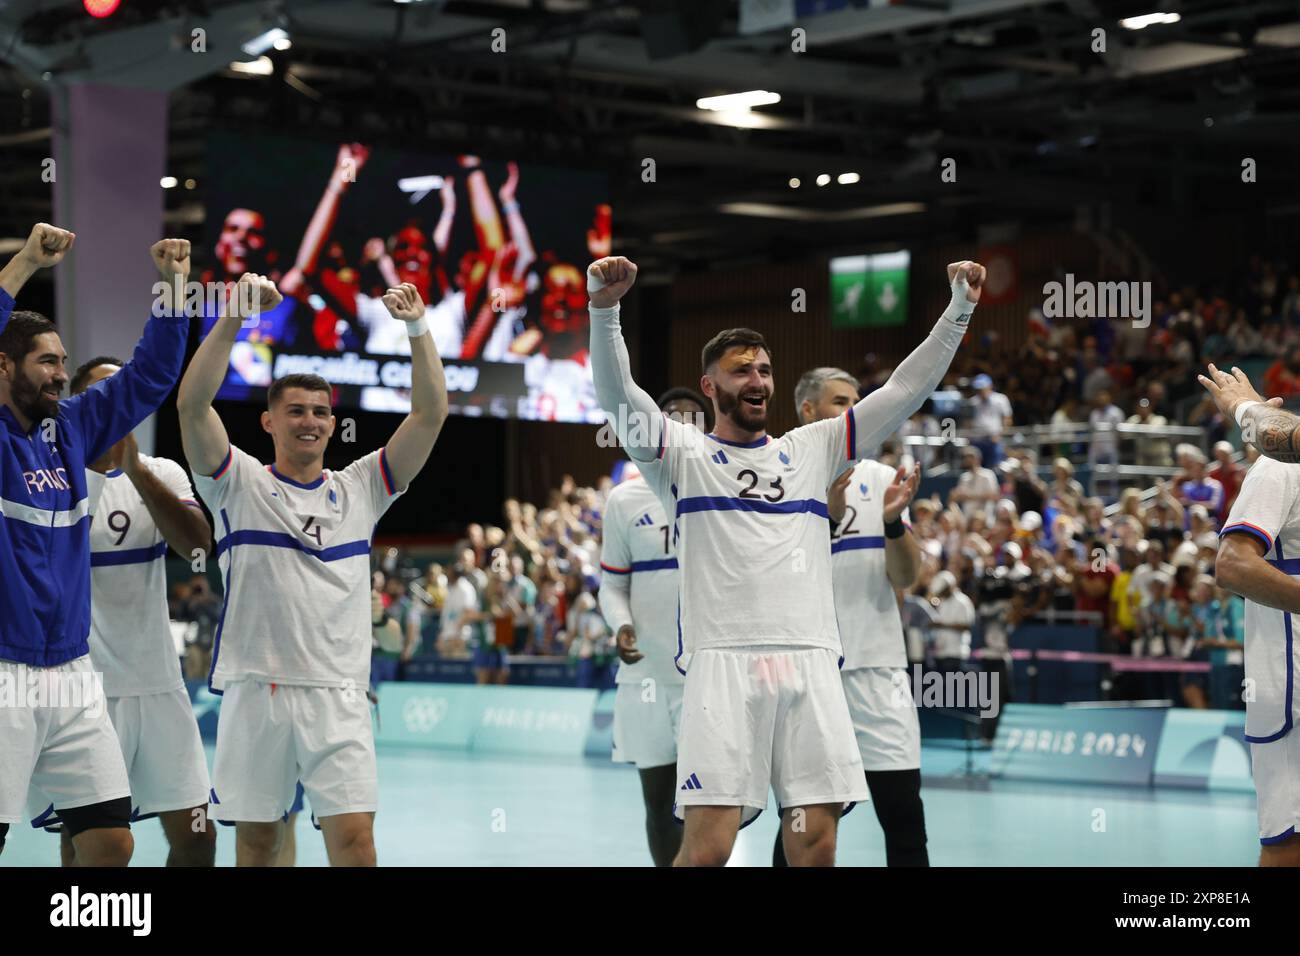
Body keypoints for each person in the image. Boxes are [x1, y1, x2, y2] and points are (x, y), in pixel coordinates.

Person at [587, 254, 983, 866]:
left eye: (766, 370)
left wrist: (959, 310)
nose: (758, 380)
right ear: (712, 386)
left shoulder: (815, 447)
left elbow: (905, 390)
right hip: (722, 666)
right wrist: (605, 312)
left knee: (816, 842)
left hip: (810, 664)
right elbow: (618, 396)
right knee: (709, 848)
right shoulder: (680, 456)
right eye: (742, 370)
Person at [177, 277, 448, 866]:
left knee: (355, 842)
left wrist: (418, 329)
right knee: (258, 843)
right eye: (295, 410)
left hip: (340, 694)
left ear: (332, 423)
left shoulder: (362, 489)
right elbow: (192, 403)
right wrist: (234, 316)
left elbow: (429, 414)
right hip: (255, 690)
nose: (311, 421)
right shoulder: (236, 484)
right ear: (269, 422)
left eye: (321, 412)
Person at [0, 228, 191, 864]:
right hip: (5, 672)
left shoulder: (72, 427)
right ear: (4, 366)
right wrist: (26, 262)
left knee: (111, 841)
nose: (60, 374)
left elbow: (152, 375)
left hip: (72, 673)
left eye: (62, 360)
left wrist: (171, 288)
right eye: (46, 362)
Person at [27, 356, 216, 867]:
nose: (120, 405)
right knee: (89, 843)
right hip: (84, 690)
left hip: (158, 686)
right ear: (82, 407)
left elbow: (198, 549)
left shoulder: (162, 472)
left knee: (198, 836)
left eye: (126, 394)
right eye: (106, 394)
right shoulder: (46, 479)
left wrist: (133, 468)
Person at [771, 366, 928, 868]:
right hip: (812, 678)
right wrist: (827, 513)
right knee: (804, 824)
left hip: (879, 676)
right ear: (808, 411)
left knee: (904, 820)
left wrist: (891, 523)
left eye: (858, 401)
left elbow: (906, 578)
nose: (854, 411)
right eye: (841, 402)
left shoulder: (884, 480)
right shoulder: (782, 480)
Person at [599, 387, 709, 867]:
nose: (685, 424)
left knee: (704, 805)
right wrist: (621, 625)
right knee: (657, 802)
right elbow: (611, 585)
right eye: (673, 417)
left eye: (694, 416)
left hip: (704, 677)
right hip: (645, 678)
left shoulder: (719, 488)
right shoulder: (624, 501)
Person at [1200, 362, 1300, 863]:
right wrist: (1249, 413)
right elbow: (1234, 566)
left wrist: (1249, 412)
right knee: (1288, 847)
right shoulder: (1279, 468)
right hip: (1293, 692)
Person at [968, 373, 1012, 469]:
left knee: (995, 467)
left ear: (990, 386)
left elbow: (1007, 420)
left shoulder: (1001, 399)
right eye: (978, 389)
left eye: (982, 388)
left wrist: (999, 435)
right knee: (976, 467)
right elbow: (968, 422)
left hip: (994, 440)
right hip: (977, 440)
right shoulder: (972, 402)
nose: (980, 391)